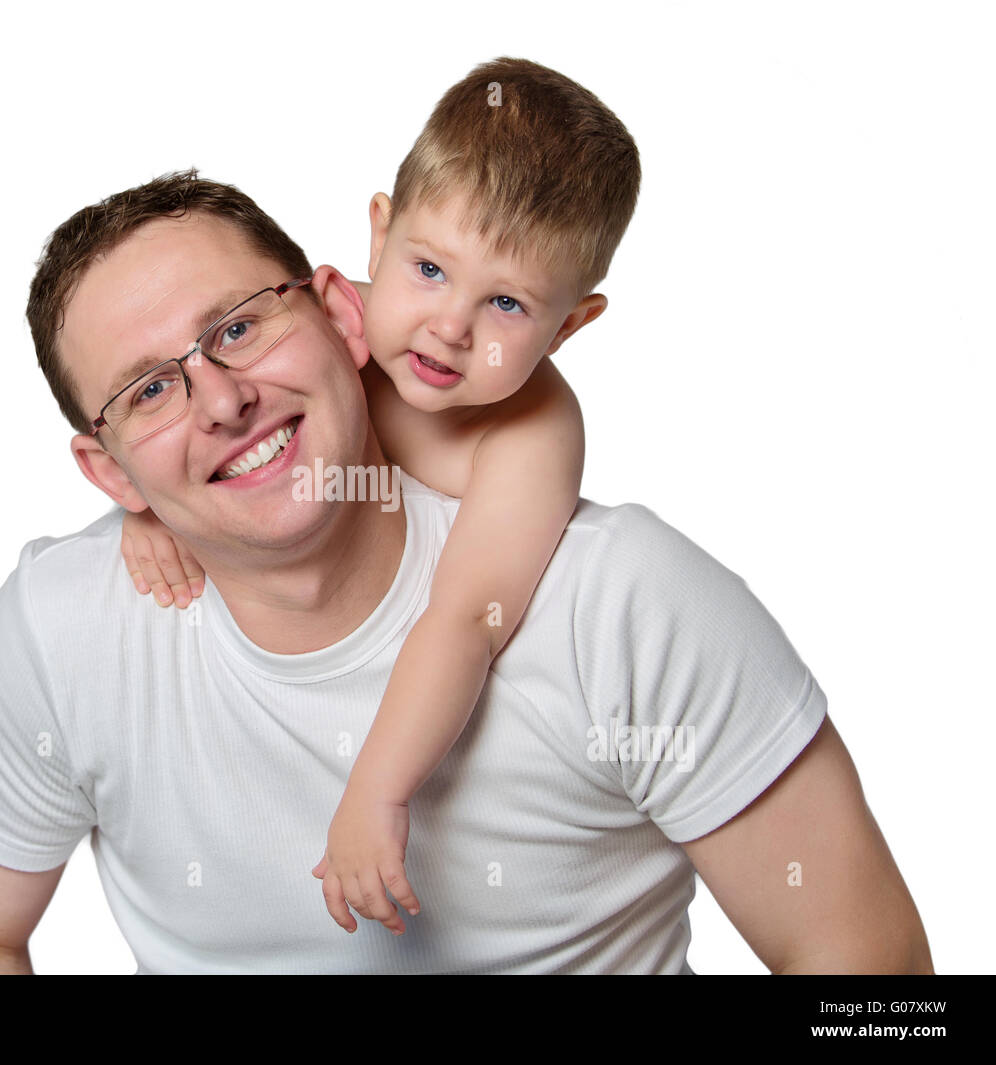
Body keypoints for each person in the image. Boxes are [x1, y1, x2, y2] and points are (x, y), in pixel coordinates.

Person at [0, 168, 932, 975]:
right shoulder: (59, 632)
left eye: (239, 329)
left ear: (344, 315)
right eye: (151, 391)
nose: (221, 403)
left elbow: (864, 965)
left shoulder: (619, 599)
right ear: (106, 469)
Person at [117, 58, 626, 935]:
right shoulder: (321, 322)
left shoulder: (530, 433)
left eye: (506, 302)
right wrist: (146, 512)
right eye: (428, 269)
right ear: (380, 234)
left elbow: (469, 615)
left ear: (570, 324)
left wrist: (377, 794)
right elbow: (193, 409)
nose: (450, 326)